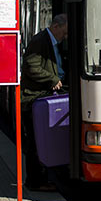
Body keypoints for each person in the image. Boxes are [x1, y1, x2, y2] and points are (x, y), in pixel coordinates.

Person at [20, 14, 68, 191]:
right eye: (64, 33)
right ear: (55, 26)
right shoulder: (40, 41)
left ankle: (43, 179)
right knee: (35, 143)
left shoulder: (51, 41)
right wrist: (52, 79)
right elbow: (31, 66)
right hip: (34, 98)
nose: (65, 37)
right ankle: (35, 182)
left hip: (42, 96)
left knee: (43, 141)